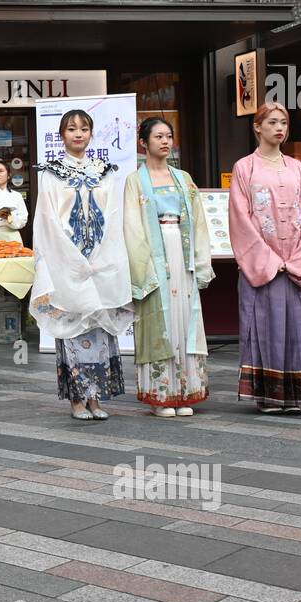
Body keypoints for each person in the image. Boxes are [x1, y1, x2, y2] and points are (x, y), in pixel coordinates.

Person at [31, 109, 133, 420]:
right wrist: (66, 256)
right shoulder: (51, 172)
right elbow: (47, 219)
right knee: (72, 329)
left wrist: (105, 253)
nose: (78, 134)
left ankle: (97, 398)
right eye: (72, 129)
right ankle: (78, 398)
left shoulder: (105, 171)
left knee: (100, 327)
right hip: (66, 258)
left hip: (100, 258)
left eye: (84, 128)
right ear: (61, 135)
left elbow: (114, 215)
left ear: (91, 134)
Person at [229, 102, 301, 414]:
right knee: (263, 324)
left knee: (296, 325)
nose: (279, 128)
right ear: (257, 127)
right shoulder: (244, 168)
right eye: (271, 122)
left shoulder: (298, 168)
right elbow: (240, 219)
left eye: (283, 122)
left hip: (294, 263)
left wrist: (297, 258)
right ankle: (268, 395)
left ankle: (296, 393)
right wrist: (268, 260)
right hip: (262, 265)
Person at [123, 117, 213, 418]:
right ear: (143, 142)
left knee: (185, 317)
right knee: (160, 319)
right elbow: (132, 227)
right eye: (158, 136)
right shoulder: (135, 180)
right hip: (153, 255)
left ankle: (185, 391)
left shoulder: (184, 178)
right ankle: (161, 393)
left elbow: (198, 221)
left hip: (181, 252)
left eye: (169, 135)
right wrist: (143, 267)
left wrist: (200, 260)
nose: (165, 141)